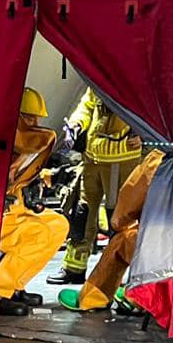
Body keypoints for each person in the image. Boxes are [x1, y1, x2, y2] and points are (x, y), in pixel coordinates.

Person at [59, 148, 165, 313]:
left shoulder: (159, 159)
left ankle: (96, 298)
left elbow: (124, 212)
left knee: (122, 241)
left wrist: (121, 225)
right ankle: (139, 296)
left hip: (168, 245)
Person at [58, 86, 143, 284]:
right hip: (93, 157)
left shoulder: (136, 79)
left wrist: (144, 135)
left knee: (118, 218)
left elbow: (153, 113)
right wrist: (75, 124)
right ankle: (74, 268)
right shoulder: (97, 77)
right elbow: (87, 106)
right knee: (82, 212)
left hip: (121, 157)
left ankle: (113, 274)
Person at [0, 89, 71, 308]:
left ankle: (15, 286)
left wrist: (49, 177)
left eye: (36, 117)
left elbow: (23, 177)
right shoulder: (4, 141)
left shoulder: (24, 143)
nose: (34, 122)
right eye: (28, 117)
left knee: (57, 225)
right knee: (36, 234)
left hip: (16, 209)